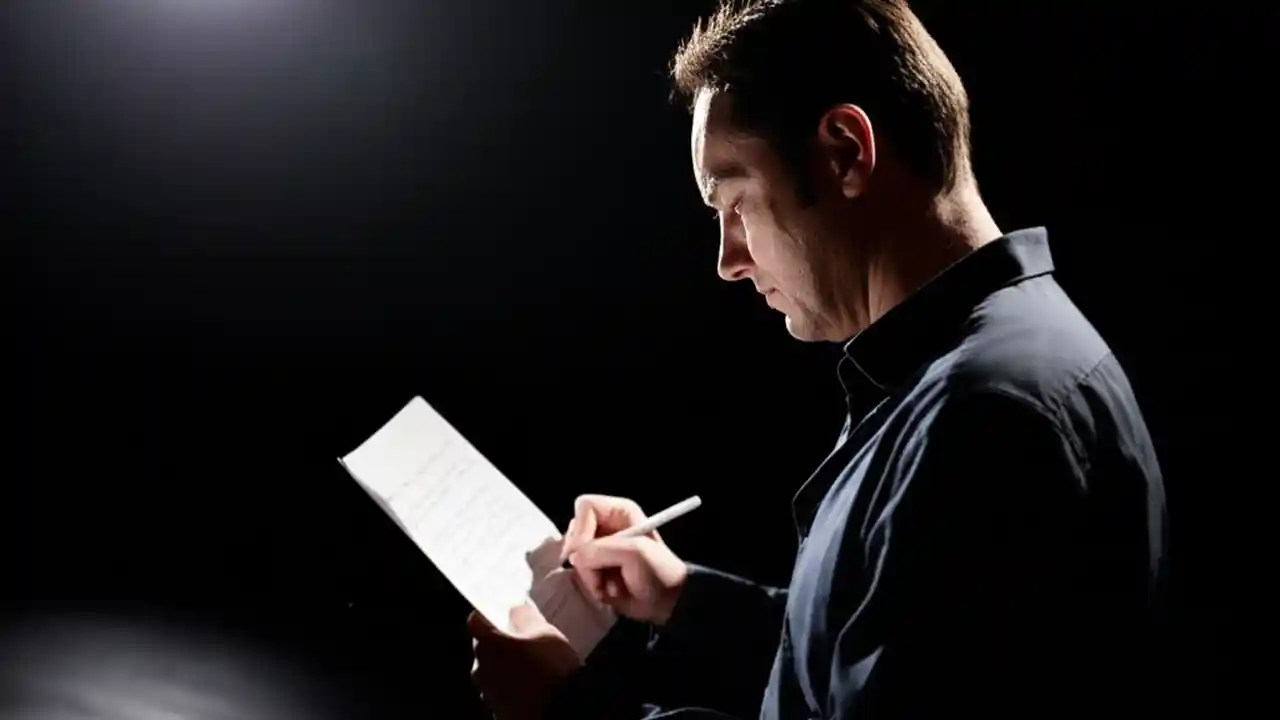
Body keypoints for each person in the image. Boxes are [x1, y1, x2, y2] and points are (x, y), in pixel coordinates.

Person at [468, 0, 1168, 718]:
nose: (727, 262)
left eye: (734, 203)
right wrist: (679, 595)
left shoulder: (985, 417)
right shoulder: (971, 367)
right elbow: (872, 661)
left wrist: (567, 711)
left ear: (844, 153)